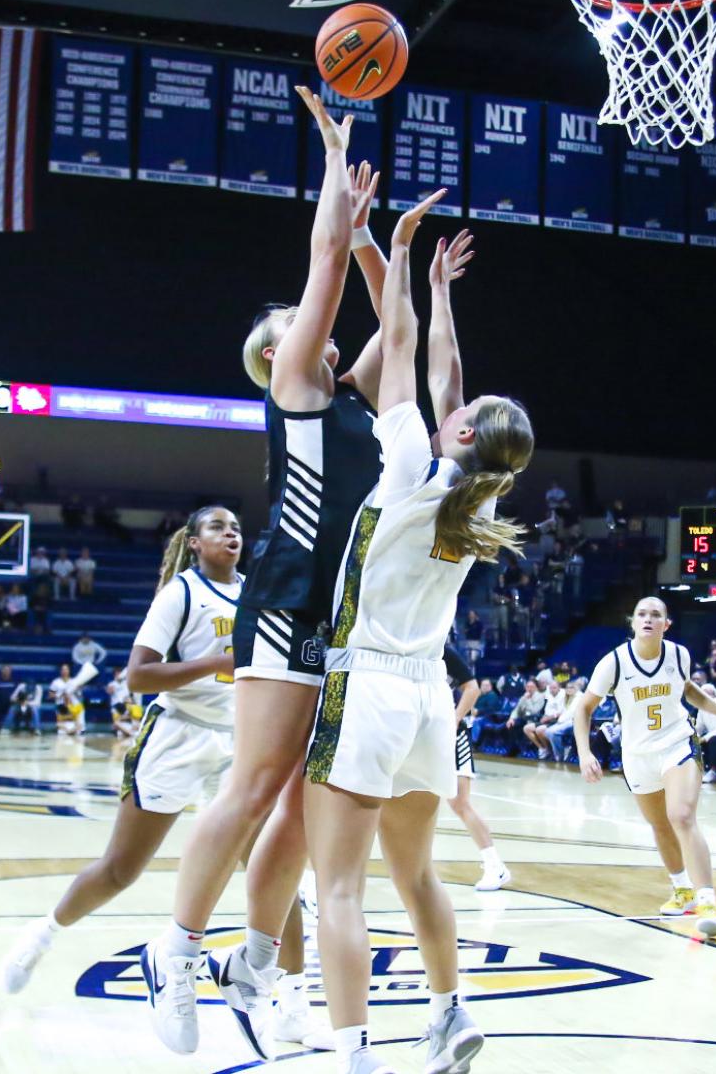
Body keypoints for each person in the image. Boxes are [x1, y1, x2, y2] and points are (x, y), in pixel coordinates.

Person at [142, 93, 396, 1064]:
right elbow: (326, 271)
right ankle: (175, 948)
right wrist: (335, 168)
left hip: (340, 622)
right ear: (276, 352)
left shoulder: (356, 405)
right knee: (254, 788)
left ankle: (252, 956)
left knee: (298, 798)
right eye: (297, 324)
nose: (316, 327)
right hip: (286, 607)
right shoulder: (293, 392)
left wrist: (375, 241)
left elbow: (391, 319)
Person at [289, 193, 526, 1074]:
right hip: (430, 699)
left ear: (461, 433)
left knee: (339, 885)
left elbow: (404, 355)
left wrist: (386, 252)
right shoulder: (483, 495)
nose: (455, 403)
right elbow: (449, 378)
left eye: (466, 409)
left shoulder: (405, 467)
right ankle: (447, 1010)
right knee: (417, 873)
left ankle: (354, 1056)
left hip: (370, 689)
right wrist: (435, 290)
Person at [0, 508, 330, 1048]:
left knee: (276, 871)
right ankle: (43, 934)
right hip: (176, 735)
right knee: (119, 870)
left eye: (236, 529)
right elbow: (138, 675)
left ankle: (292, 1003)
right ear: (194, 542)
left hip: (239, 740)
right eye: (218, 527)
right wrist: (213, 663)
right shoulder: (180, 592)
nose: (232, 534)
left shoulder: (254, 592)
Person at [574, 596, 716, 933]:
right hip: (637, 755)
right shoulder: (614, 663)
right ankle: (682, 890)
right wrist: (584, 752)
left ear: (666, 624)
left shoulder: (679, 654)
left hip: (677, 744)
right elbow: (583, 709)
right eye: (641, 614)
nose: (648, 619)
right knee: (661, 826)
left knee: (681, 816)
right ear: (633, 622)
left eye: (656, 615)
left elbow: (689, 691)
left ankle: (707, 901)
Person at [442, 651, 510, 892]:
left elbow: (472, 688)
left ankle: (494, 865)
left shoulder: (444, 652)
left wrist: (455, 718)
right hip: (416, 734)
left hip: (451, 736)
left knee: (460, 803)